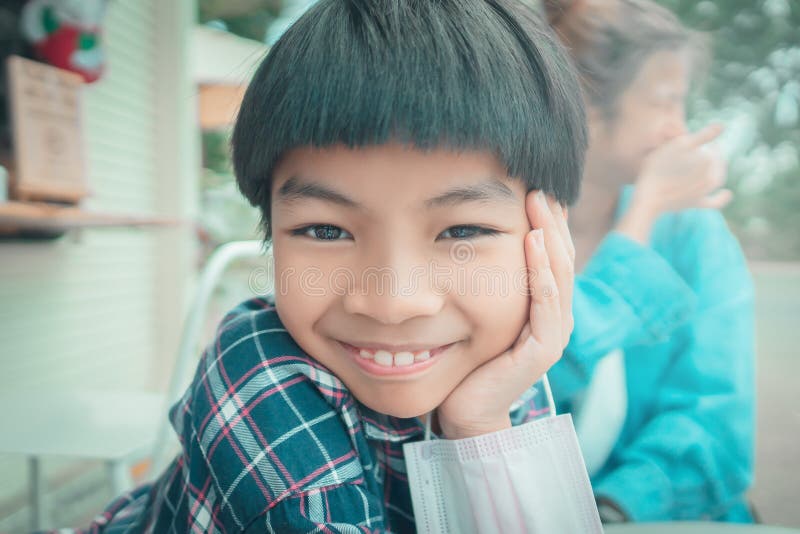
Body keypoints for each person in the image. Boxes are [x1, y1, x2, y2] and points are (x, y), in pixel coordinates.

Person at [64, 1, 602, 531]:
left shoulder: (506, 373)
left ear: (548, 237)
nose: (392, 302)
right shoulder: (259, 380)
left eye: (462, 231)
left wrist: (479, 425)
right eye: (326, 231)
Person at [543, 0, 755, 523]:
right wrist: (642, 214)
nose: (677, 131)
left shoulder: (691, 230)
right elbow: (526, 386)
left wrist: (615, 510)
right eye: (665, 103)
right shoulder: (502, 226)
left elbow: (716, 419)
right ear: (586, 104)